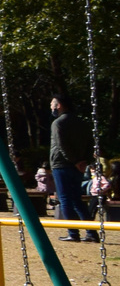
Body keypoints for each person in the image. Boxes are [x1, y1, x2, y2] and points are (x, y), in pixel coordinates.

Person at [51, 96, 99, 242]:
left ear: (59, 105)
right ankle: (91, 233)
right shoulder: (82, 123)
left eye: (52, 104)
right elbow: (91, 143)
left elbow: (61, 144)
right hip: (79, 166)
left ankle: (73, 233)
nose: (51, 107)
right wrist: (84, 161)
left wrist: (75, 160)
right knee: (77, 200)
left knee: (65, 199)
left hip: (61, 164)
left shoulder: (58, 123)